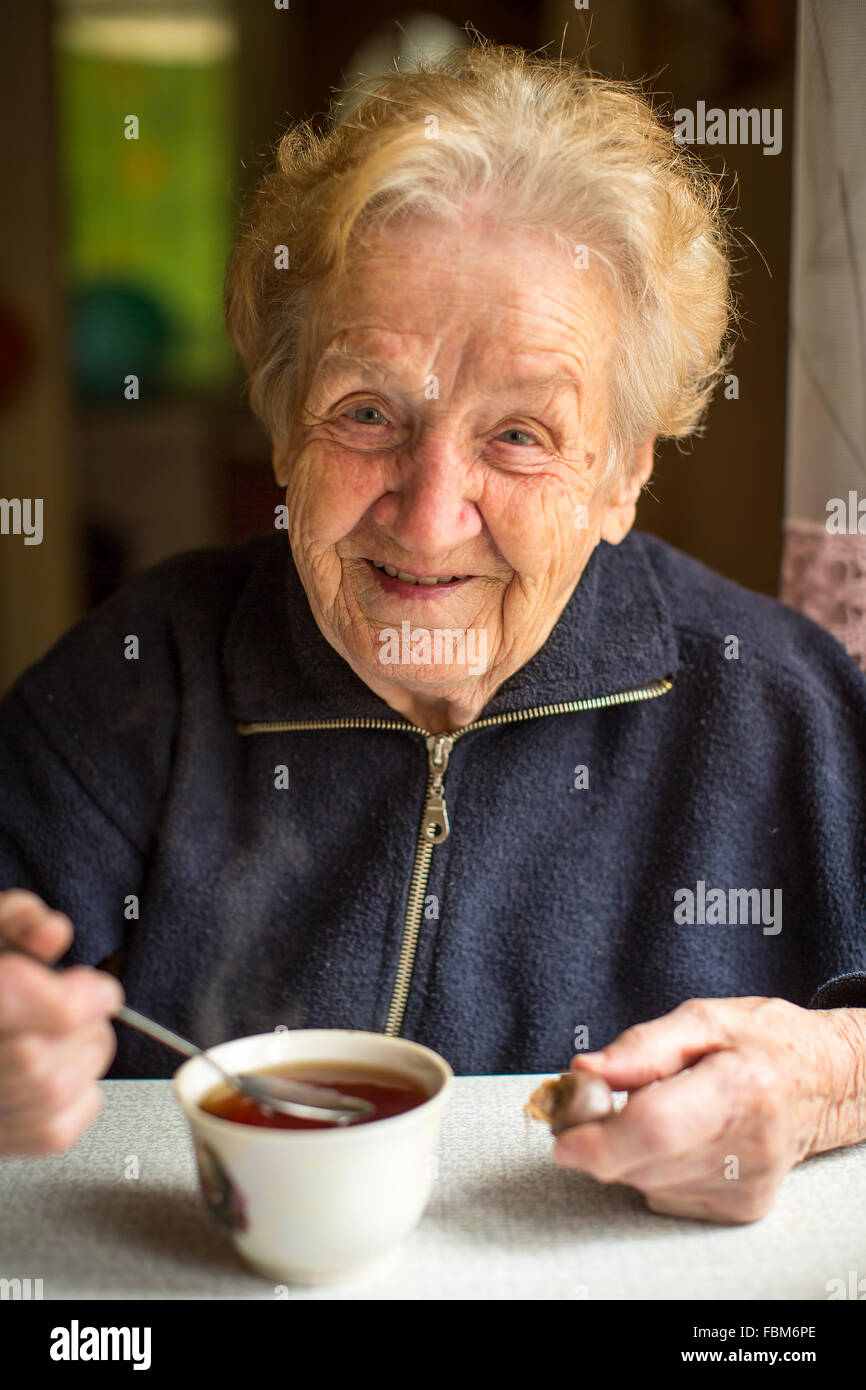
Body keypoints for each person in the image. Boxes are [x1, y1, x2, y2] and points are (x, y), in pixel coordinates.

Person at [1, 43, 864, 1224]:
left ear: (621, 473)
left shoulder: (784, 708)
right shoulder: (143, 673)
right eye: (366, 413)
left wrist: (825, 1078)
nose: (426, 512)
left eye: (519, 434)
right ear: (282, 427)